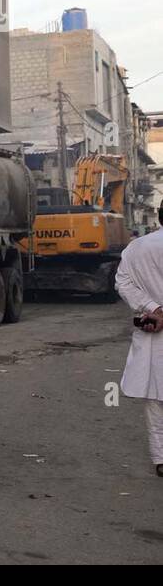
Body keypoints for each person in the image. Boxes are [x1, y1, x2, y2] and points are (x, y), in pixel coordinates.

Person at [112, 204, 163, 476]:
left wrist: (153, 308)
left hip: (153, 333)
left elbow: (122, 282)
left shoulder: (137, 248)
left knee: (155, 398)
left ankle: (160, 457)